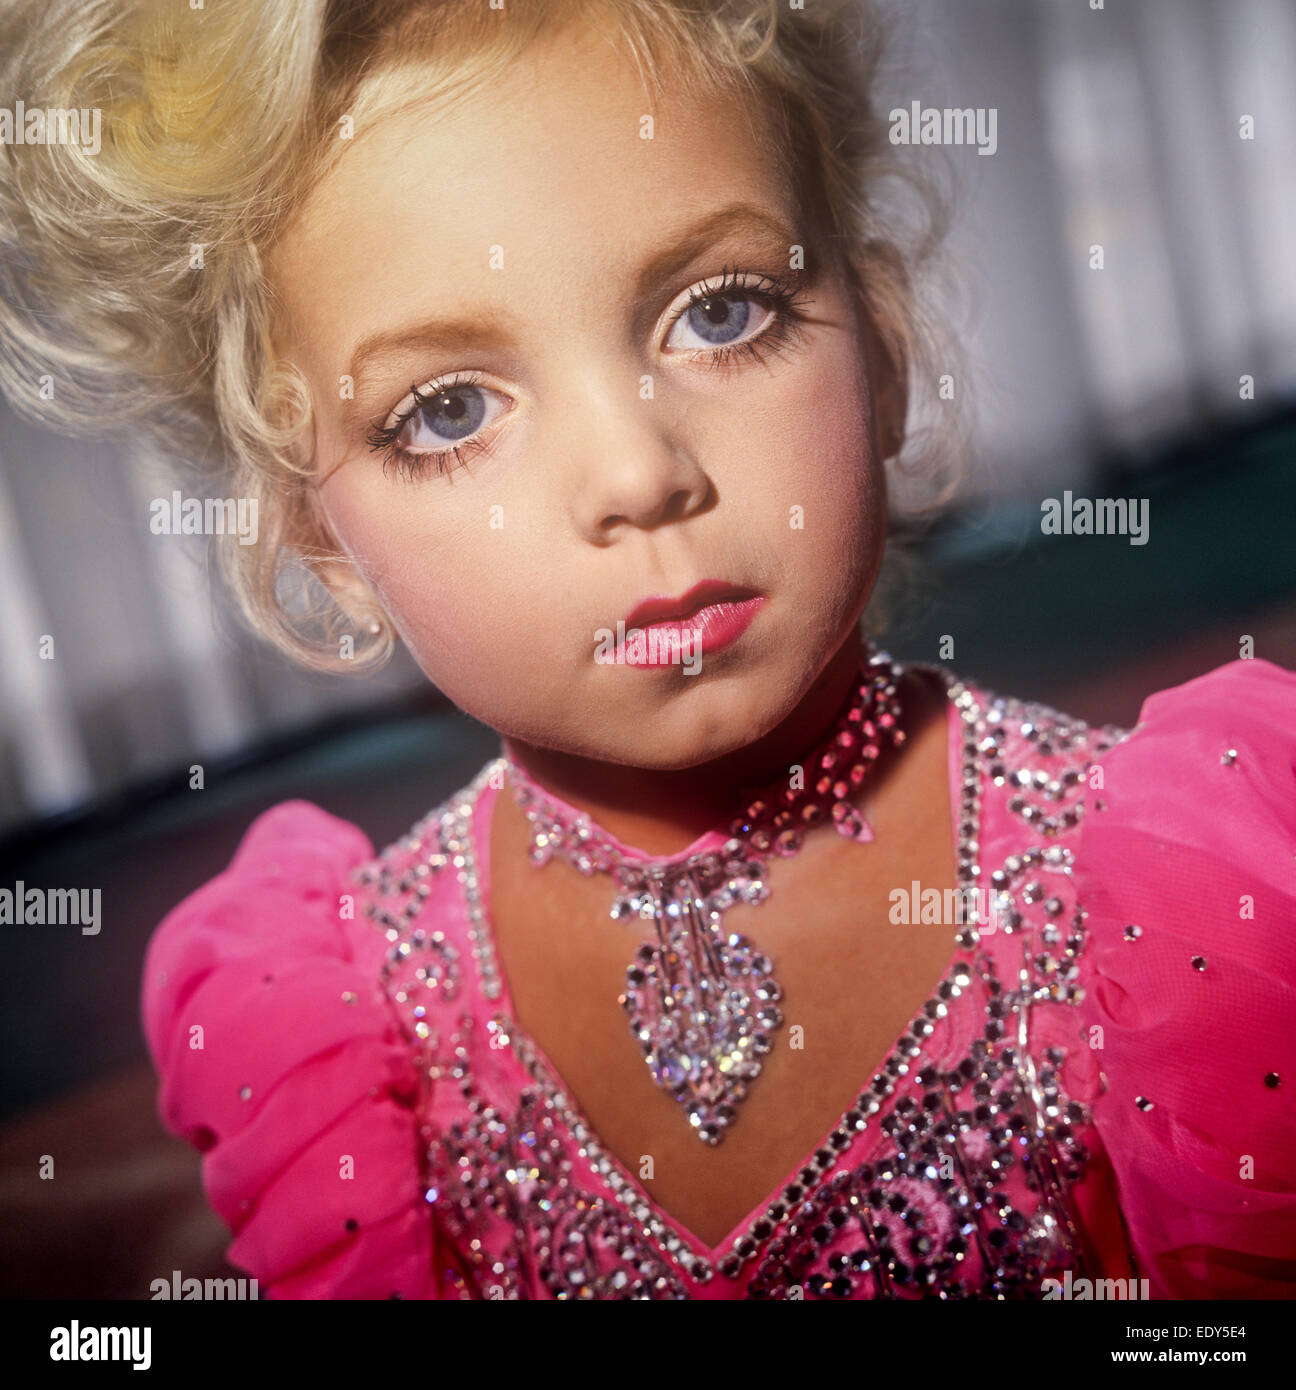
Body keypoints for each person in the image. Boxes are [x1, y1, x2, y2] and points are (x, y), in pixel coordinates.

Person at [2, 0, 1292, 1299]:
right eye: (448, 409)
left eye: (720, 314)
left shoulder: (1183, 910)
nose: (636, 472)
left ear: (884, 344)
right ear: (320, 538)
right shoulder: (342, 1034)